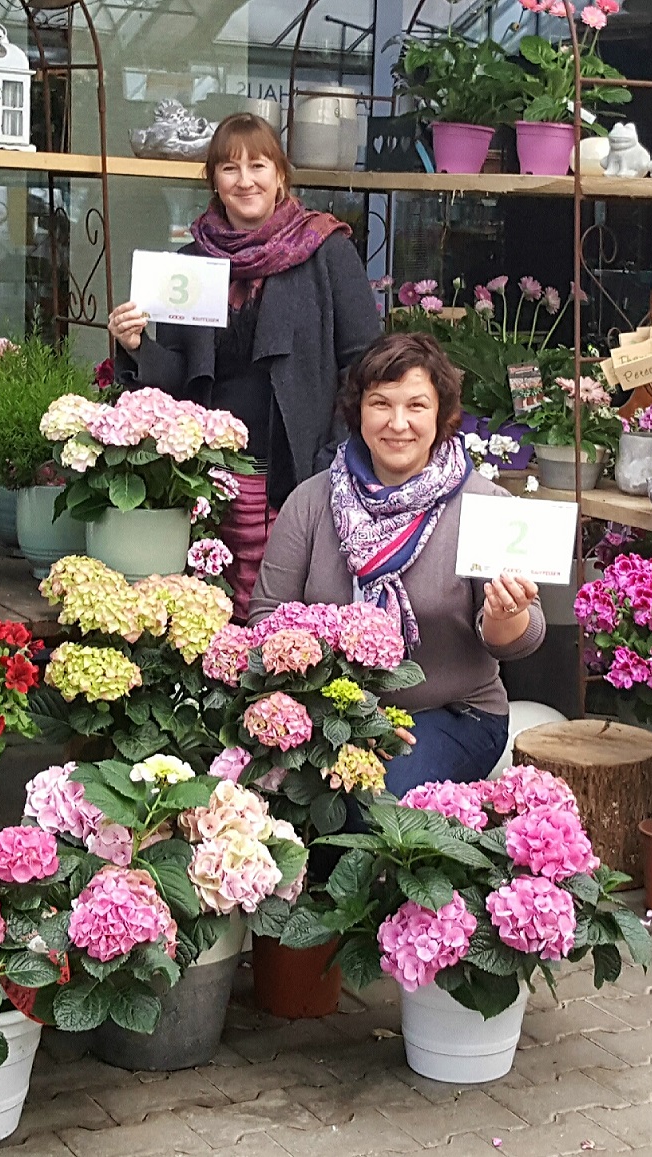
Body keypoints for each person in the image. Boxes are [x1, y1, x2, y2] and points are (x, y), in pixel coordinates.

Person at [108, 113, 379, 617]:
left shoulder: (327, 251)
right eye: (230, 168)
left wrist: (335, 455)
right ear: (214, 180)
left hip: (301, 475)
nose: (245, 180)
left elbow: (365, 365)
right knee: (213, 610)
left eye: (258, 165)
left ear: (280, 176)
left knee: (289, 612)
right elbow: (176, 378)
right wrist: (136, 344)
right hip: (211, 480)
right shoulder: (191, 262)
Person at [250, 332, 545, 794]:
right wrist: (346, 719)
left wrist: (506, 613)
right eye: (381, 404)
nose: (398, 423)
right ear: (358, 411)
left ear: (442, 414)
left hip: (454, 714)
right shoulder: (311, 501)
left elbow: (520, 641)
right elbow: (267, 616)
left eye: (417, 405)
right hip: (329, 714)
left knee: (371, 795)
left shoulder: (485, 505)